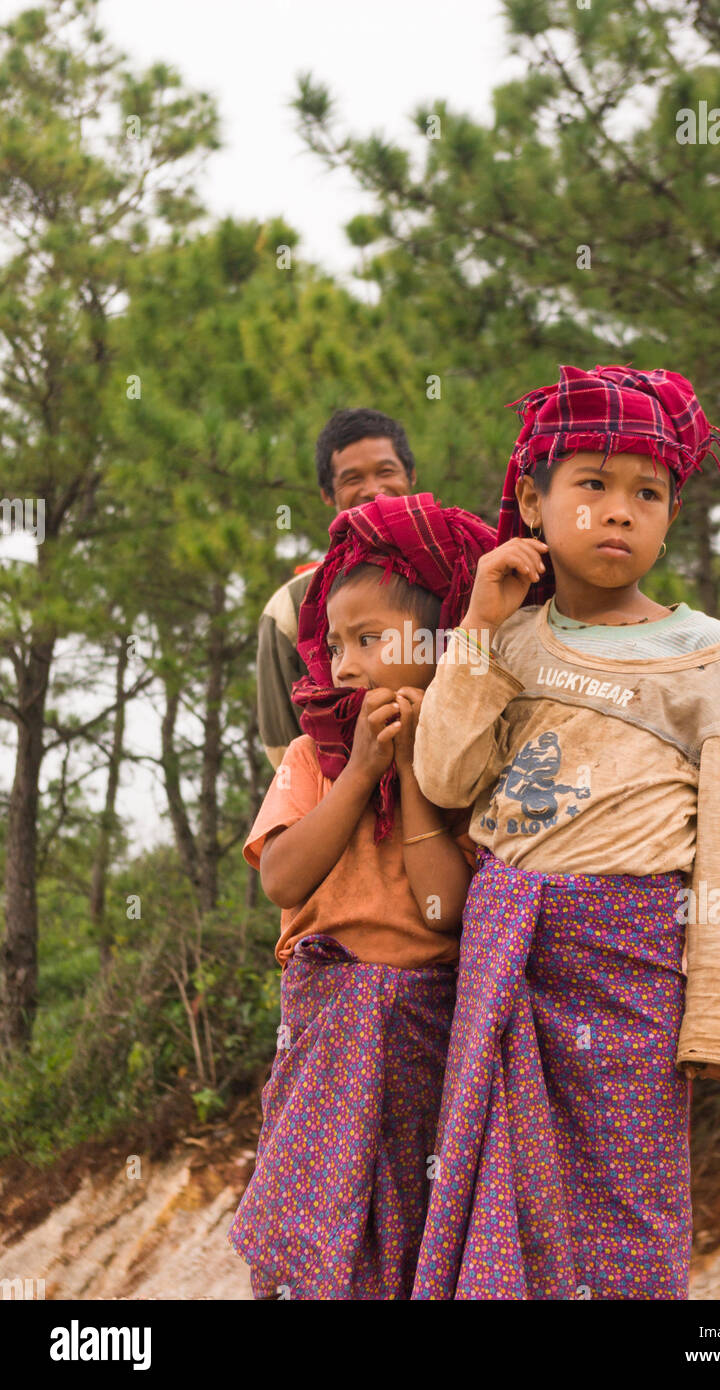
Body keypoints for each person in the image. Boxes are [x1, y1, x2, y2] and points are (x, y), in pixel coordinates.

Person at [409, 364, 720, 1301]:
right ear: (533, 502)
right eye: (593, 486)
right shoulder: (511, 641)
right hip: (504, 957)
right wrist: (480, 632)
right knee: (504, 1201)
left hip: (633, 969)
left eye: (646, 493)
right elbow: (444, 777)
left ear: (670, 515)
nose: (619, 512)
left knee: (629, 1204)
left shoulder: (709, 656)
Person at [228, 492, 496, 1300]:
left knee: (412, 1215)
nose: (343, 665)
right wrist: (364, 773)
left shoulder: (461, 764)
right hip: (328, 1010)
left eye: (369, 640)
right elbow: (281, 877)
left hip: (426, 1020)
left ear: (436, 640)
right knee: (310, 1223)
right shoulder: (316, 753)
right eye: (335, 644)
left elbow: (443, 913)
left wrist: (413, 769)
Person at [257, 408, 418, 769]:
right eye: (352, 478)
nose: (373, 490)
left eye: (386, 471)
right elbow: (286, 748)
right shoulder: (291, 607)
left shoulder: (463, 573)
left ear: (411, 476)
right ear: (328, 494)